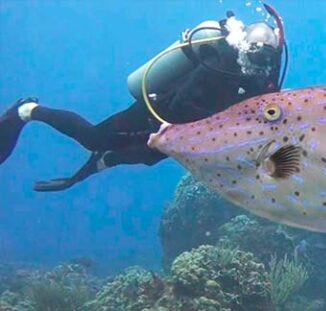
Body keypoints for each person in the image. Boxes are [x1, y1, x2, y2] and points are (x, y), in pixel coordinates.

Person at [0, 6, 287, 192]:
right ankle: (28, 110)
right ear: (243, 49)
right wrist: (203, 133)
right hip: (158, 110)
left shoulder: (267, 78)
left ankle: (102, 162)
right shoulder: (220, 60)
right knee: (94, 138)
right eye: (255, 56)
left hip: (186, 132)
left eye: (266, 58)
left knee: (146, 157)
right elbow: (180, 103)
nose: (258, 65)